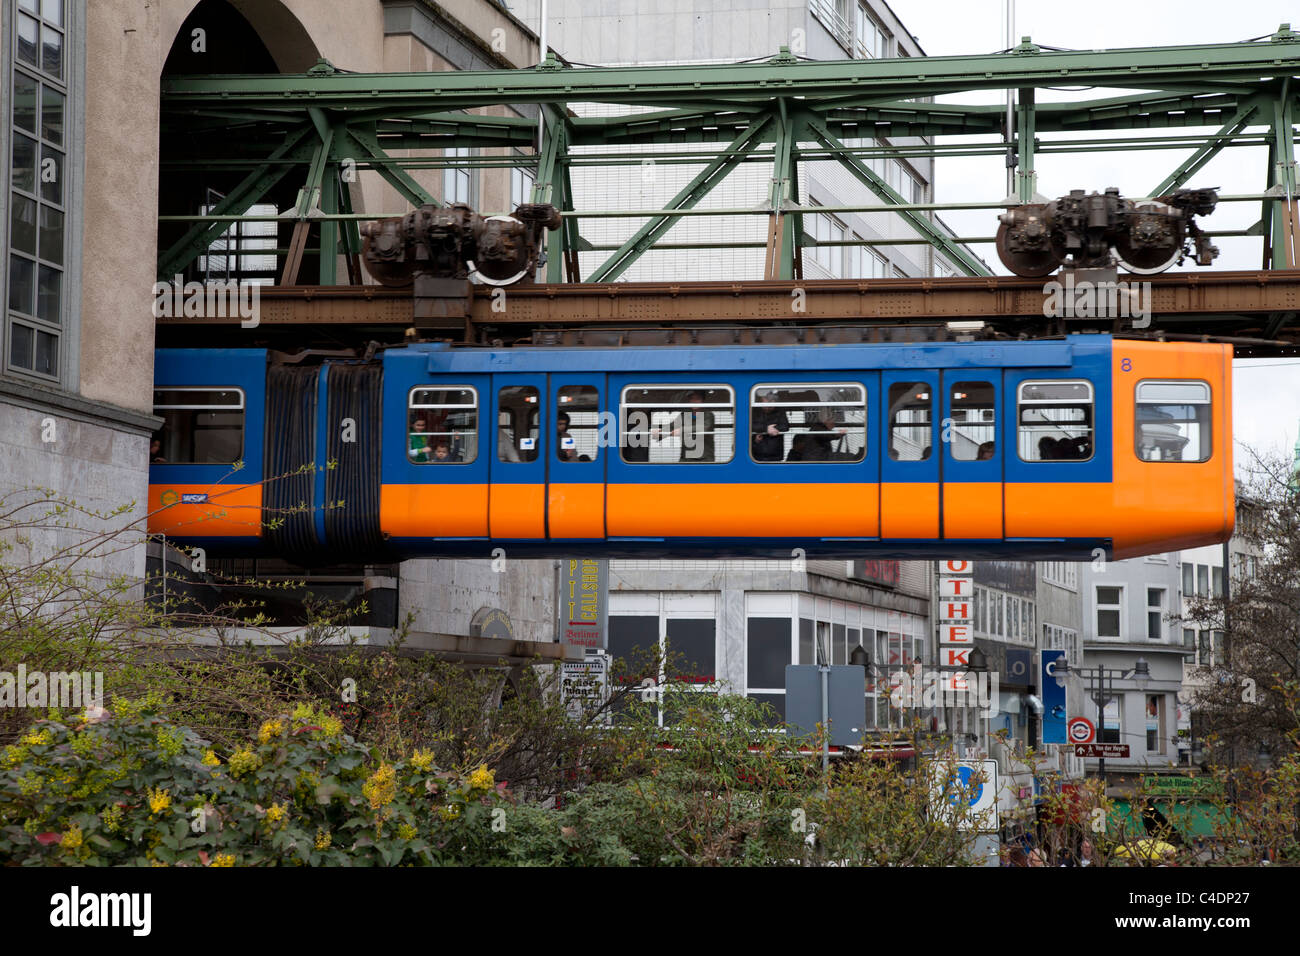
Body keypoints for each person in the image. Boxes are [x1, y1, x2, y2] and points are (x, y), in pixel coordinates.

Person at [751, 391, 789, 462]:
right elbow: (749, 425)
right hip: (757, 454)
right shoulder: (755, 411)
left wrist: (774, 429)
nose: (767, 408)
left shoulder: (780, 411)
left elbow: (785, 426)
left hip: (776, 454)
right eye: (765, 405)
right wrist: (765, 429)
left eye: (770, 406)